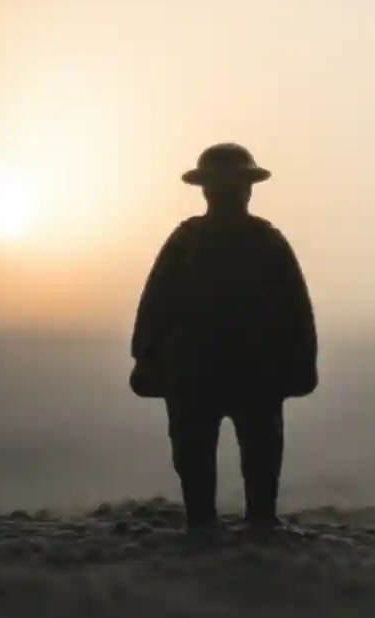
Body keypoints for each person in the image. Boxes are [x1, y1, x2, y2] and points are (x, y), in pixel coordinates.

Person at [130, 143, 317, 533]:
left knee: (260, 447)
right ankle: (203, 519)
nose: (229, 192)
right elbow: (157, 300)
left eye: (235, 184)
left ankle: (257, 517)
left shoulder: (265, 241)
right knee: (195, 449)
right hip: (202, 368)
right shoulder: (188, 241)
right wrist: (145, 356)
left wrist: (302, 360)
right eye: (221, 185)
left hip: (247, 367)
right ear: (206, 190)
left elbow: (294, 306)